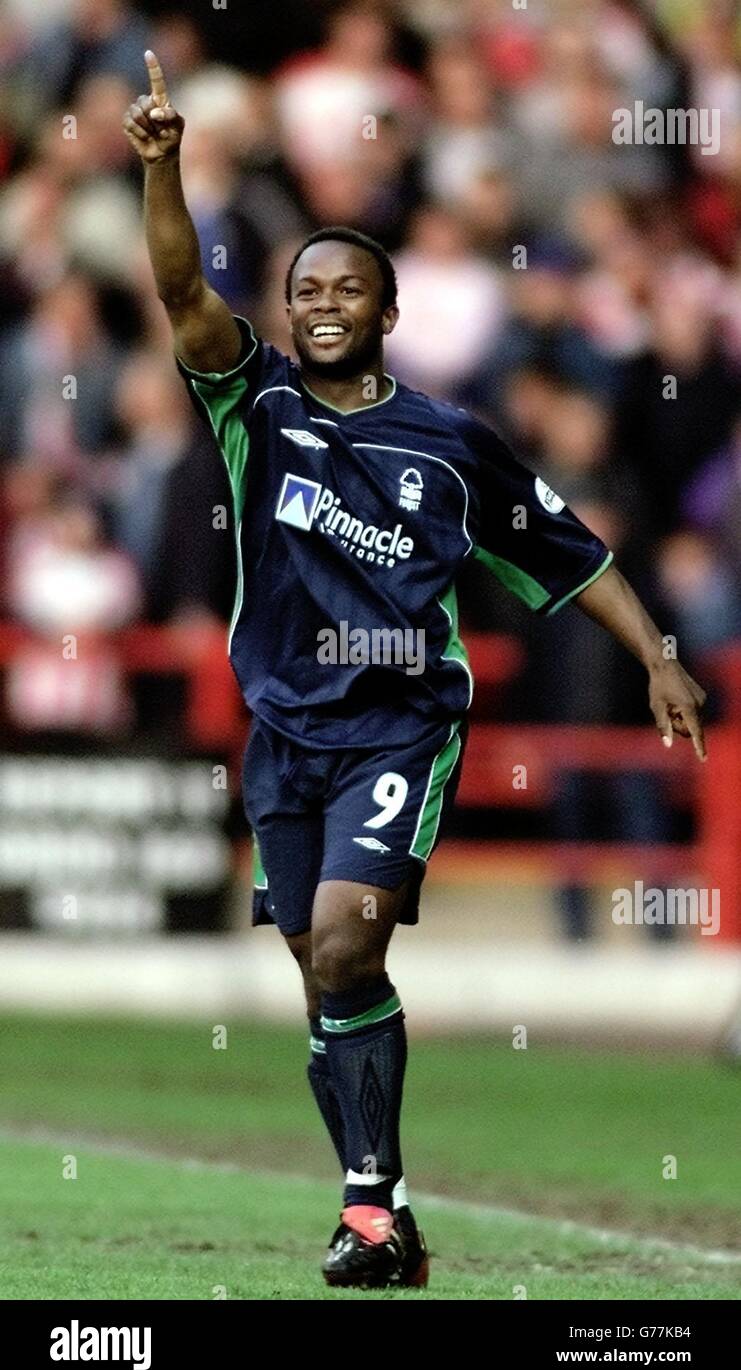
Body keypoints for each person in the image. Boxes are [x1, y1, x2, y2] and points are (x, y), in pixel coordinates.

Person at [123, 52, 707, 1290]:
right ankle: (380, 1212)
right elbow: (181, 293)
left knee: (341, 943)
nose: (323, 302)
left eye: (349, 287)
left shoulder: (451, 447)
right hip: (285, 728)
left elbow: (574, 550)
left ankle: (368, 1212)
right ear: (285, 314)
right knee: (327, 975)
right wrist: (164, 169)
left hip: (402, 721)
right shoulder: (254, 408)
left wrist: (657, 652)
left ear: (389, 313)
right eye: (304, 288)